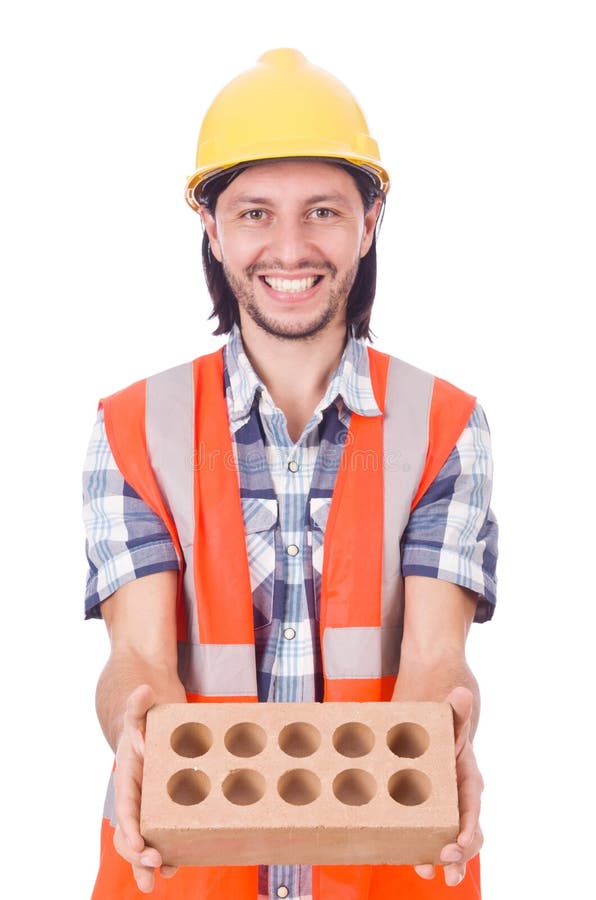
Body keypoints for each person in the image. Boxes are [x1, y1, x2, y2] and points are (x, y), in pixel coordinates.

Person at [82, 48, 497, 900]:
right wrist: (136, 729)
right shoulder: (133, 429)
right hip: (186, 876)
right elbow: (140, 656)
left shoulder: (445, 425)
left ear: (371, 220)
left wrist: (443, 728)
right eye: (254, 213)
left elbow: (433, 656)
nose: (290, 248)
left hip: (389, 874)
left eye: (323, 212)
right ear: (211, 228)